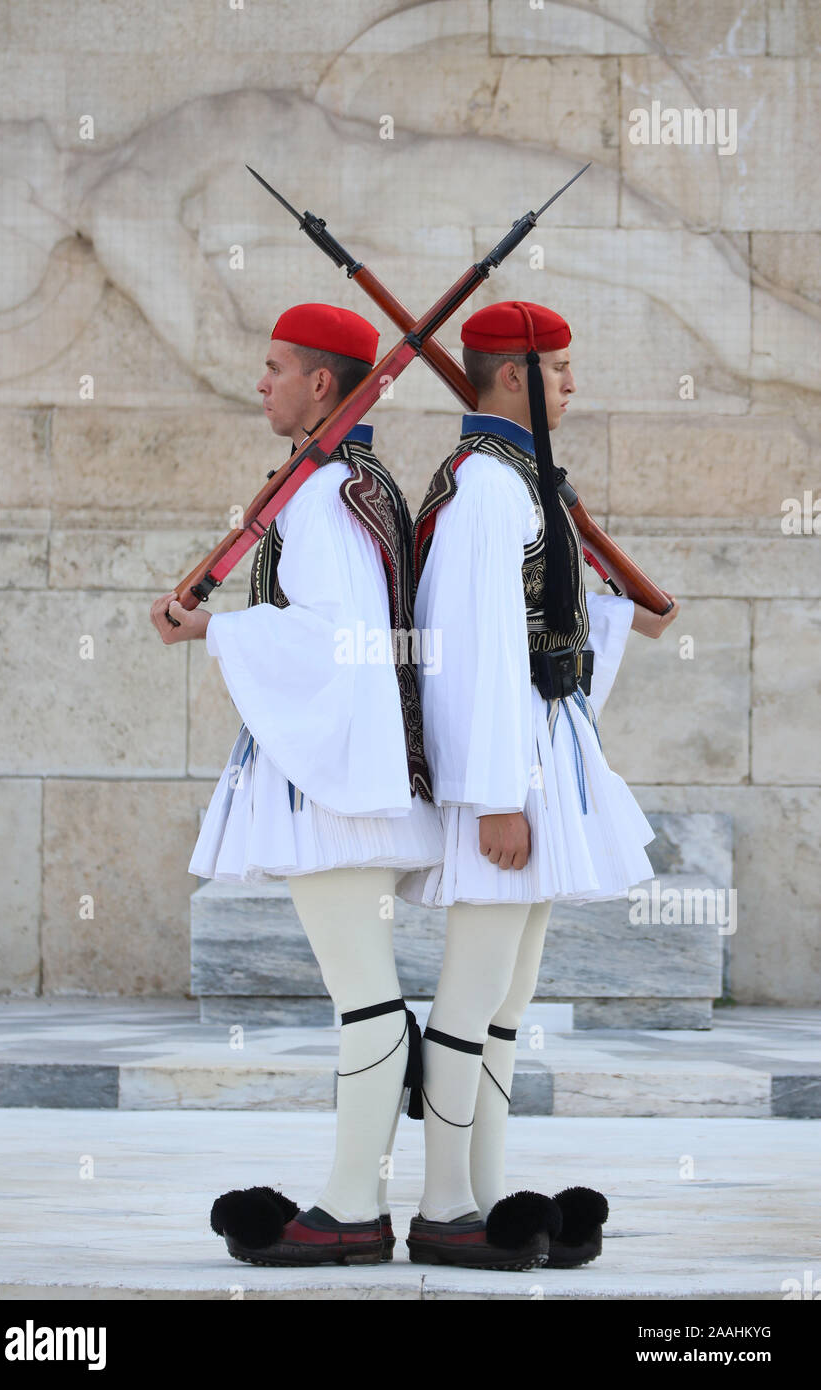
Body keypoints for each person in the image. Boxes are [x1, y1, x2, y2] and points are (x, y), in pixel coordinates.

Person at [150, 302, 443, 1267]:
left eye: (276, 367)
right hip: (348, 780)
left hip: (340, 790)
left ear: (324, 383)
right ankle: (368, 1204)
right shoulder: (345, 483)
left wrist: (215, 629)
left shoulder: (327, 495)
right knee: (368, 999)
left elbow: (338, 642)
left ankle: (353, 1212)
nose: (261, 382)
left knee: (364, 1001)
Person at [397, 300, 680, 1271]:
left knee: (509, 993)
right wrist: (494, 796)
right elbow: (470, 651)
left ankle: (485, 1193)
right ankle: (440, 1206)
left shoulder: (519, 479)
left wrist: (614, 617)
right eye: (558, 370)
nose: (571, 386)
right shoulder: (484, 487)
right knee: (471, 989)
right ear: (512, 376)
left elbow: (536, 618)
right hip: (507, 766)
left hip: (535, 752)